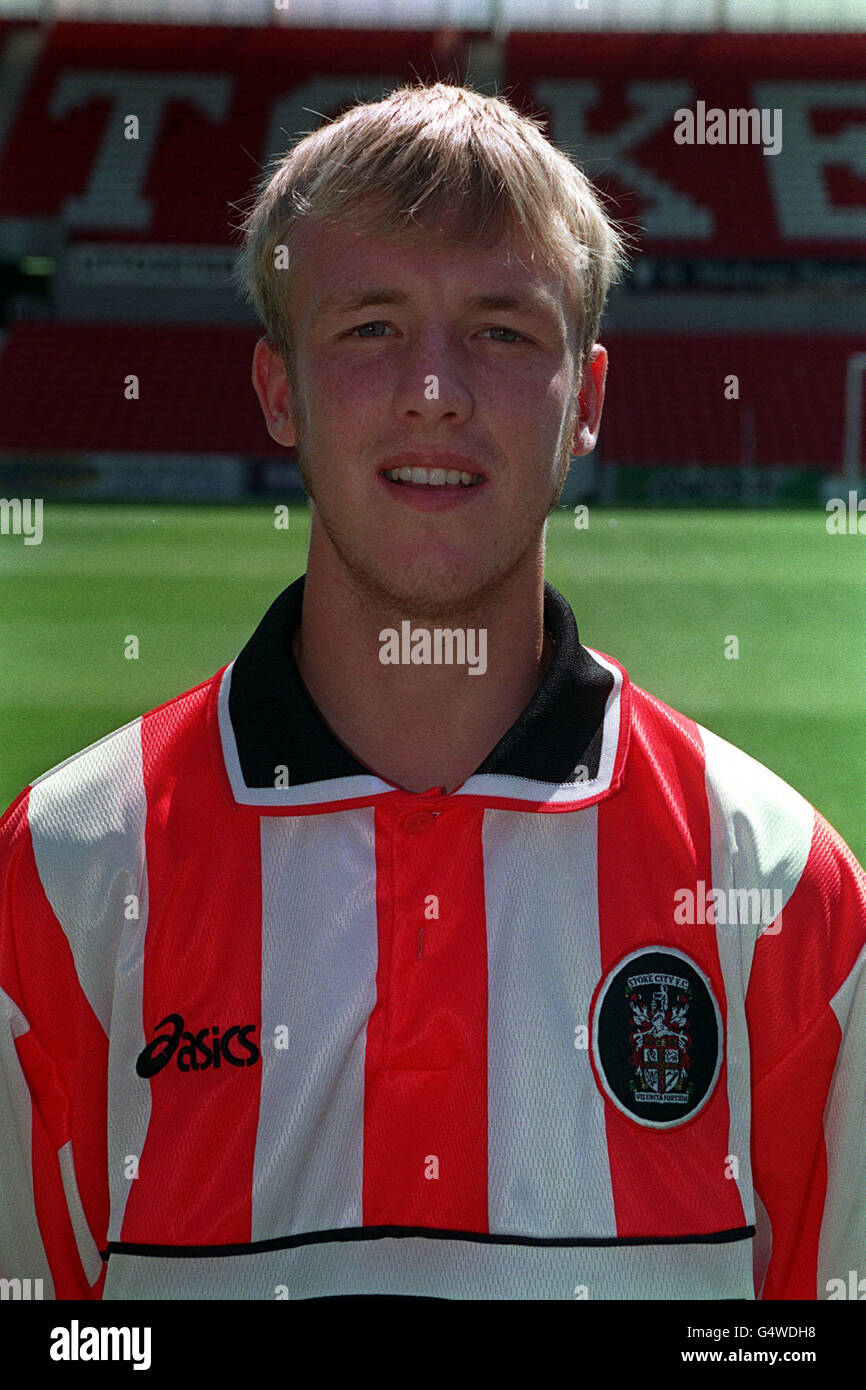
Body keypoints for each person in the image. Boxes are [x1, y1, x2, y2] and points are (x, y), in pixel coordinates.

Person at [0, 81, 863, 1302]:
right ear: (278, 391)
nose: (434, 391)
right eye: (369, 328)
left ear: (589, 404)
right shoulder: (61, 876)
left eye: (504, 331)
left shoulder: (781, 895)